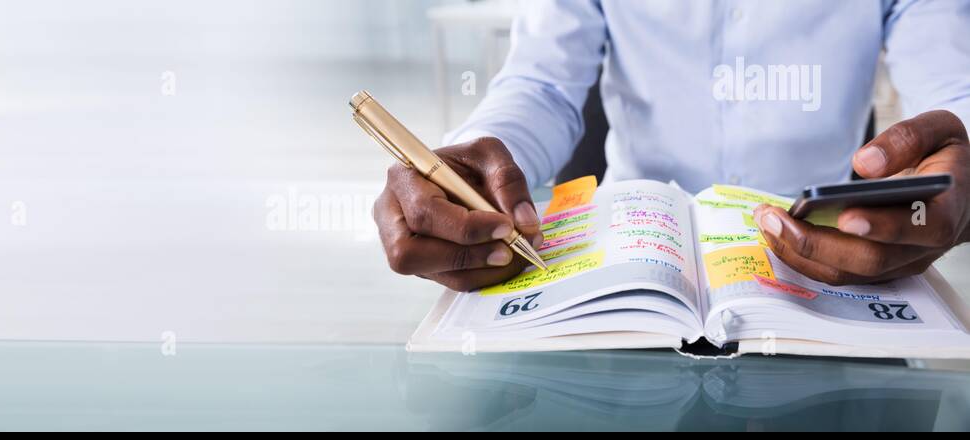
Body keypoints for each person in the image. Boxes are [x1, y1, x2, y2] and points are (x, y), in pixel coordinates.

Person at [373, 0, 969, 291]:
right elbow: (542, 82)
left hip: (830, 261)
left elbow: (955, 88)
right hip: (633, 264)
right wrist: (475, 165)